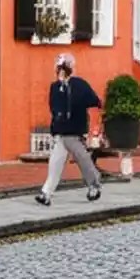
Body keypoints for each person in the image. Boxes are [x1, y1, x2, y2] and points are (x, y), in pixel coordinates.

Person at [36, 53, 103, 206]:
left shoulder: (79, 85)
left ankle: (94, 185)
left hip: (74, 131)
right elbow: (54, 107)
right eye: (59, 68)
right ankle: (46, 193)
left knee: (82, 159)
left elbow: (93, 100)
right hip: (61, 131)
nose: (60, 71)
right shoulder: (55, 87)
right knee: (55, 163)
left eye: (62, 68)